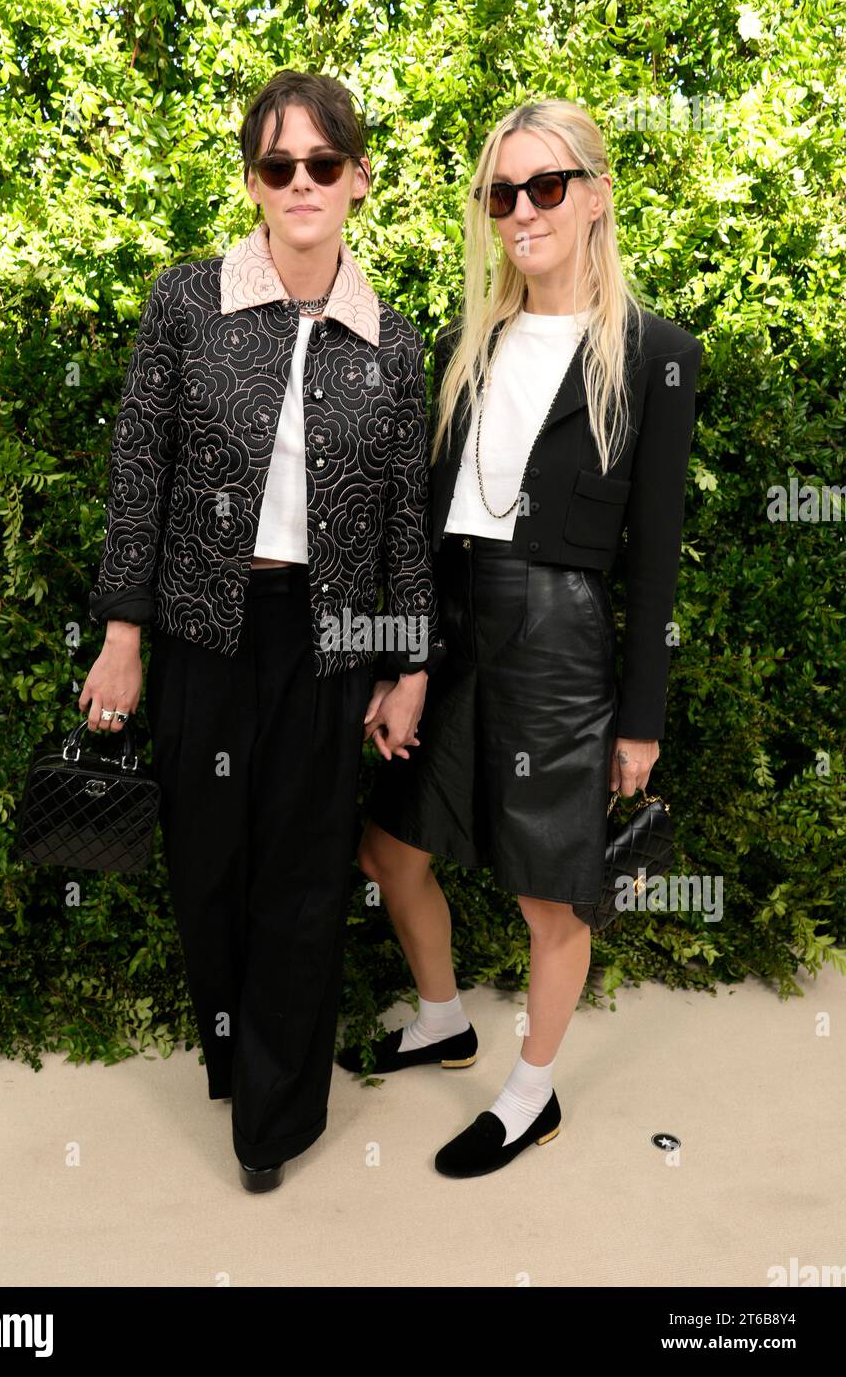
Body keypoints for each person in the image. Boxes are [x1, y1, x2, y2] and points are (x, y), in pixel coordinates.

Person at [80, 69, 446, 1193]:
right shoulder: (186, 301)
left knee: (301, 876)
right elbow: (139, 471)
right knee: (207, 864)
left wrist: (409, 664)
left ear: (357, 182)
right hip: (200, 627)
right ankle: (236, 1057)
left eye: (322, 164)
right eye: (279, 164)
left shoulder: (390, 338)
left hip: (325, 639)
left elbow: (402, 522)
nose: (301, 183)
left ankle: (272, 1124)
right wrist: (122, 633)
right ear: (252, 181)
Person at [340, 98, 704, 1179]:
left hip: (558, 639)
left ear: (593, 197)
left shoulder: (653, 355)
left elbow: (654, 555)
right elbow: (416, 529)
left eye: (545, 186)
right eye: (503, 193)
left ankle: (531, 1092)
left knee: (551, 890)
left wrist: (638, 720)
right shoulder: (465, 341)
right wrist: (405, 661)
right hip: (454, 625)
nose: (522, 211)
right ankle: (444, 1018)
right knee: (388, 847)